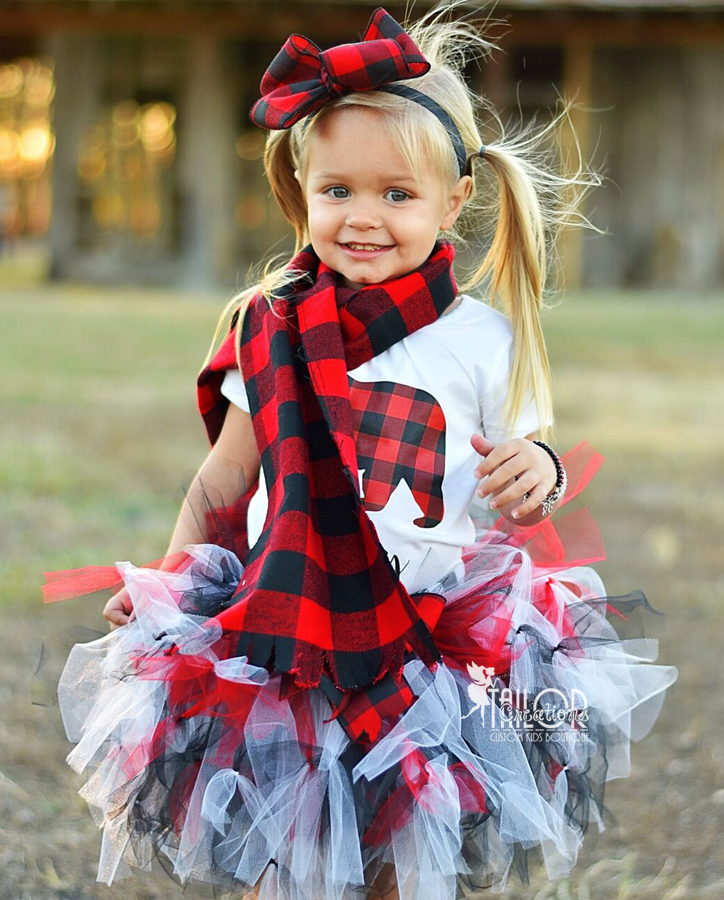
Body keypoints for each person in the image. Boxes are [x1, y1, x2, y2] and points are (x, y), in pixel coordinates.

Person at [42, 4, 679, 898]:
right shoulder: (267, 324)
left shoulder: (482, 340)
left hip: (426, 639)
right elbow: (226, 477)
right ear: (301, 189)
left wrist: (544, 471)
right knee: (283, 842)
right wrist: (173, 579)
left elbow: (527, 466)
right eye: (337, 191)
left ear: (454, 201)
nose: (363, 217)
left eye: (397, 194)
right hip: (285, 627)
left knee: (395, 848)